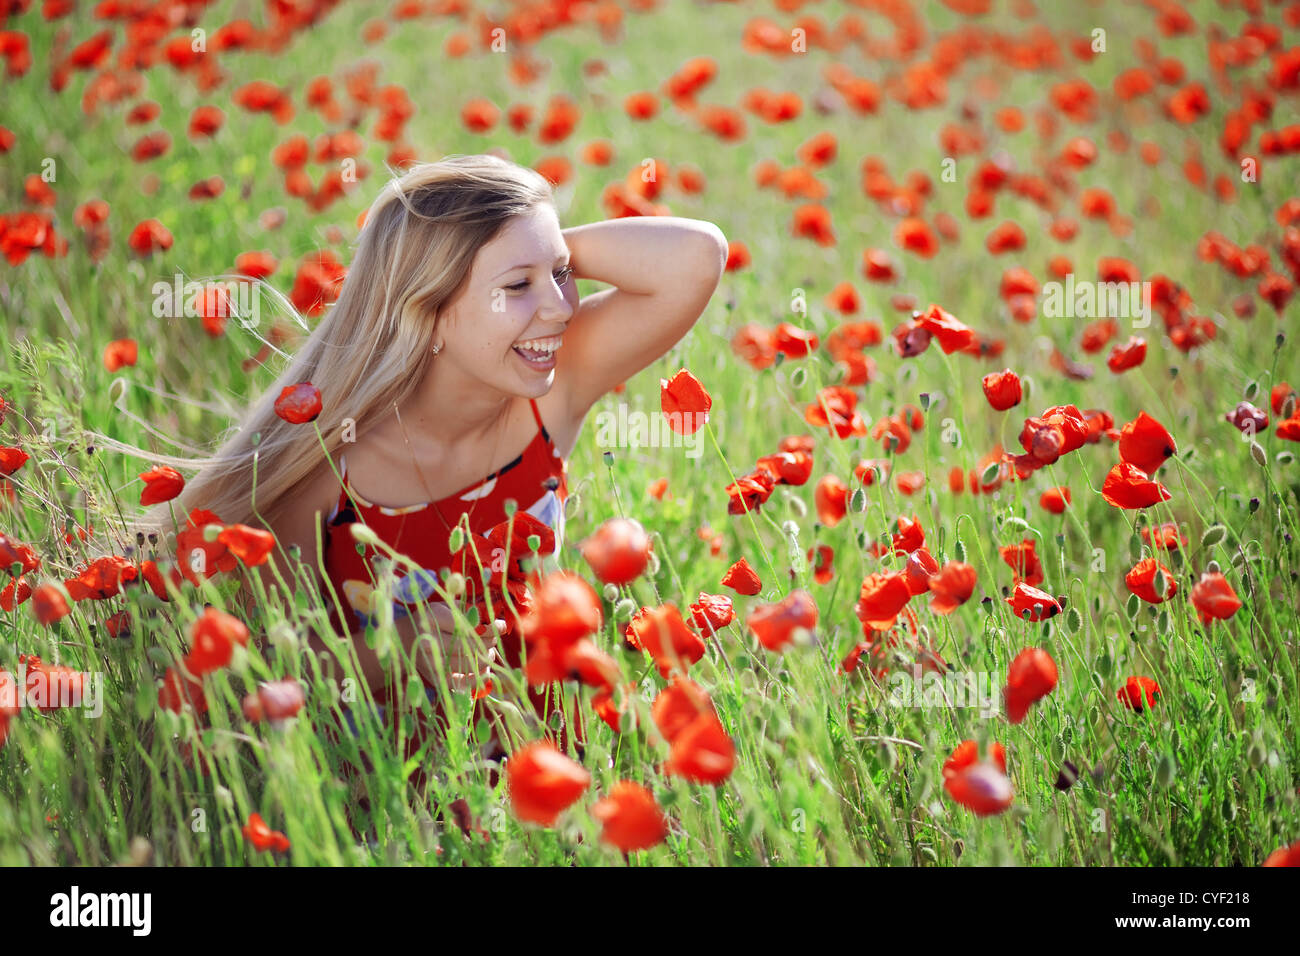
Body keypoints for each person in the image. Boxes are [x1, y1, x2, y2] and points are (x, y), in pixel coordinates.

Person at [142, 153, 728, 797]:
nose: (560, 308)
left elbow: (697, 258)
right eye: (517, 287)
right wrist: (407, 641)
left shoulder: (548, 396)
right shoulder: (327, 467)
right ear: (427, 307)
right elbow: (276, 672)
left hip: (548, 775)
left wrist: (536, 249)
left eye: (560, 276)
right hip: (389, 801)